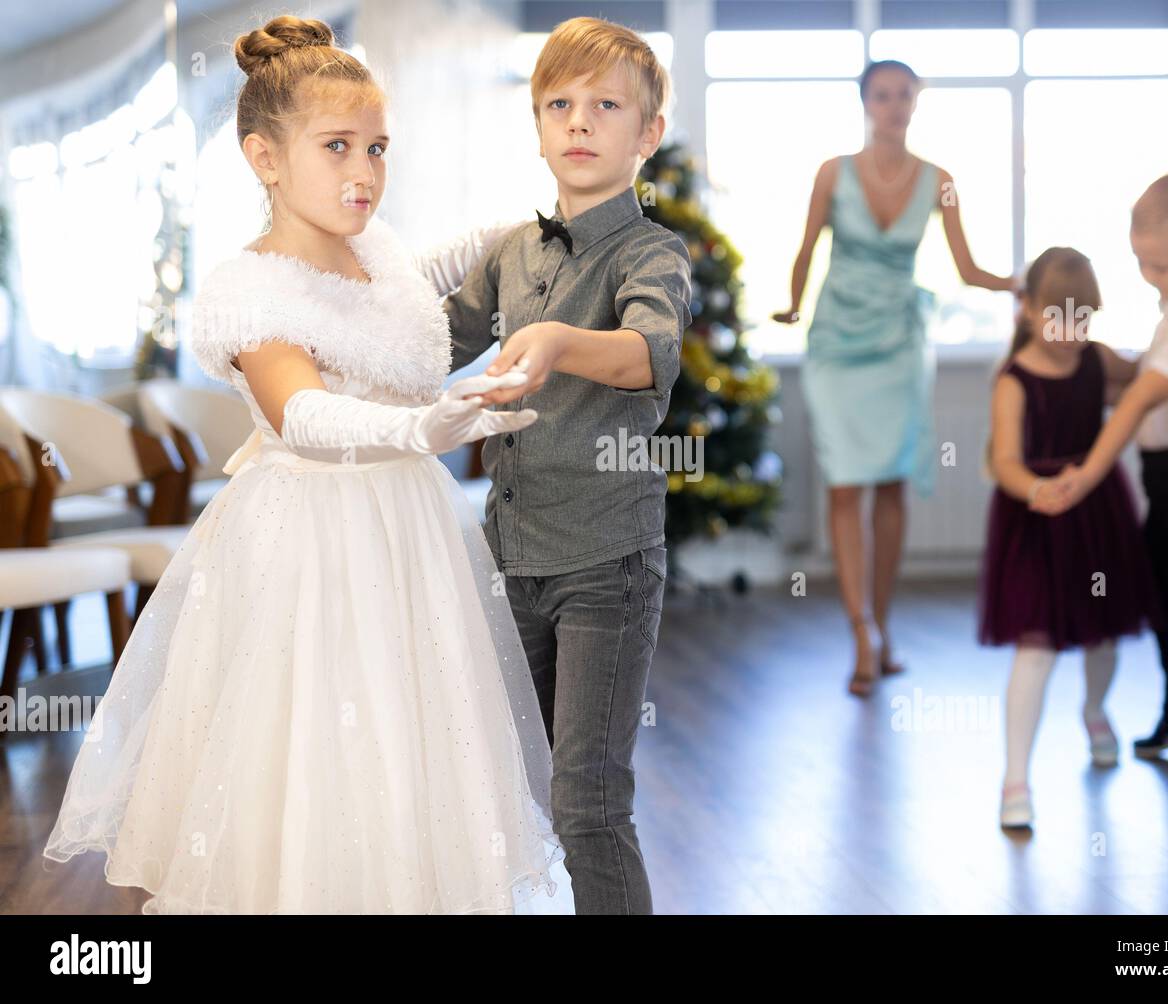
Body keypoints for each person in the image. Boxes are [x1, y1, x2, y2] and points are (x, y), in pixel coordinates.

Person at [42, 15, 573, 913]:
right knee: (318, 750)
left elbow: (430, 270)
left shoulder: (375, 248)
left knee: (412, 743)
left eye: (376, 148)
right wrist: (423, 431)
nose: (364, 172)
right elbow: (303, 414)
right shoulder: (250, 288)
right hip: (310, 538)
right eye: (337, 147)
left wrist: (546, 214)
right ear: (266, 157)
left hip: (407, 530)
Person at [440, 16, 692, 915]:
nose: (580, 122)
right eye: (560, 104)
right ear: (540, 125)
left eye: (606, 106)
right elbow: (434, 339)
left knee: (585, 801)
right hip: (509, 564)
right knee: (505, 792)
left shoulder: (653, 251)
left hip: (605, 569)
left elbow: (644, 353)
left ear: (646, 135)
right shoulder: (512, 252)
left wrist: (553, 341)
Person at [775, 59, 1016, 695]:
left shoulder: (943, 182)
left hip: (899, 344)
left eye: (904, 95)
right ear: (865, 103)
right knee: (845, 483)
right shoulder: (832, 172)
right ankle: (861, 634)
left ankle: (883, 626)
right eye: (882, 96)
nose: (894, 106)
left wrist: (1025, 283)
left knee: (890, 487)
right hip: (836, 342)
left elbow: (967, 269)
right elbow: (806, 249)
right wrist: (794, 303)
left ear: (916, 102)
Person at [1034, 171, 1168, 843]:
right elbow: (1130, 374)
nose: (1149, 275)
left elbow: (1136, 402)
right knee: (1162, 604)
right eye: (1139, 262)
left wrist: (1080, 478)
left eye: (1160, 264)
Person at [979, 246, 1162, 829]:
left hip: (1096, 513)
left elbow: (1147, 375)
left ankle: (1094, 709)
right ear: (1028, 309)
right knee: (1035, 649)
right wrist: (1035, 490)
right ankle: (1015, 778)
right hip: (1034, 521)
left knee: (1103, 636)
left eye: (1083, 319)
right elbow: (1004, 460)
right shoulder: (1013, 382)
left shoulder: (1096, 360)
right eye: (1060, 318)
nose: (1071, 332)